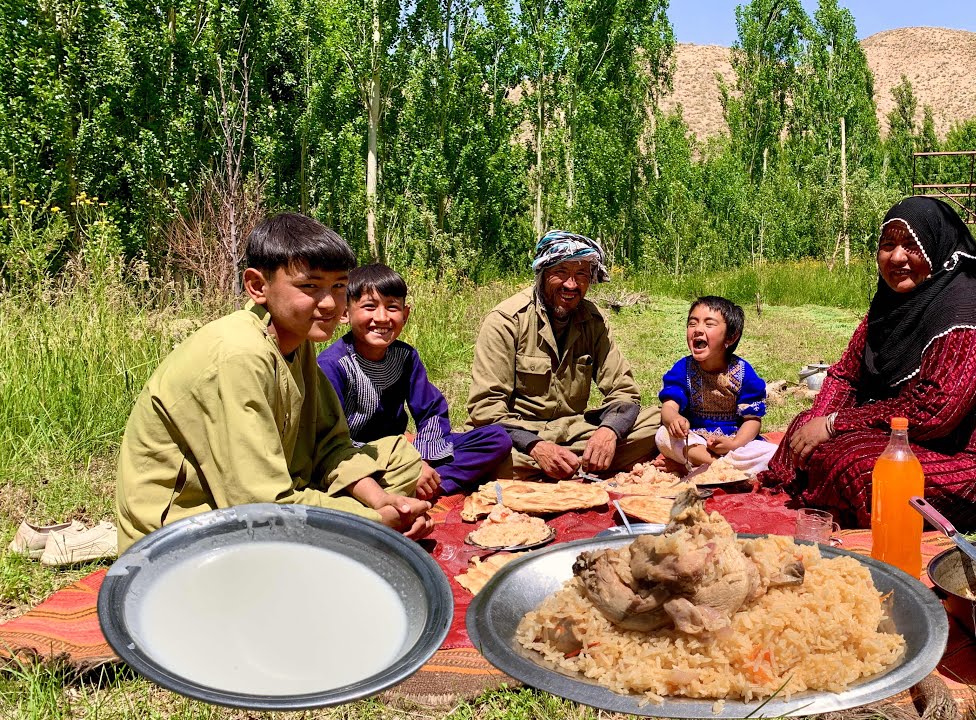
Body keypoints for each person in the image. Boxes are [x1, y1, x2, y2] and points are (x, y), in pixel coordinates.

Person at [115, 214, 436, 553]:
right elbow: (258, 503)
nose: (329, 303)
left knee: (400, 457)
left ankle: (350, 532)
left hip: (273, 488)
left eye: (339, 286)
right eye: (310, 286)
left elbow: (331, 444)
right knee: (289, 538)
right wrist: (373, 522)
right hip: (185, 531)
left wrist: (383, 500)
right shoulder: (238, 356)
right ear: (257, 286)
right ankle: (350, 539)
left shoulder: (297, 340)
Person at [759, 197, 976, 529]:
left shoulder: (971, 308)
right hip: (923, 443)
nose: (897, 257)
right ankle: (794, 493)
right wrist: (819, 419)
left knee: (854, 465)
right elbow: (846, 376)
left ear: (938, 246)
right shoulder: (892, 304)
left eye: (912, 245)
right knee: (803, 425)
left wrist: (835, 424)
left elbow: (935, 411)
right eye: (887, 245)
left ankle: (825, 499)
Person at [467, 230, 660, 480]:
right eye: (561, 273)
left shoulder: (594, 320)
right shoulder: (506, 320)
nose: (571, 285)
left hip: (574, 430)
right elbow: (486, 408)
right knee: (483, 453)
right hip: (520, 437)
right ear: (543, 274)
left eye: (581, 274)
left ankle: (567, 465)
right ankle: (579, 466)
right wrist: (537, 447)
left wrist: (608, 432)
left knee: (656, 422)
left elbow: (624, 391)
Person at [318, 264, 512, 494]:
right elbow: (332, 443)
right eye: (369, 307)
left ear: (405, 314)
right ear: (344, 313)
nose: (381, 317)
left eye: (392, 307)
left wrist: (425, 459)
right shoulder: (333, 365)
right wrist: (405, 463)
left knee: (496, 439)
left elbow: (431, 411)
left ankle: (424, 485)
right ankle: (411, 488)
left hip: (405, 450)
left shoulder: (405, 356)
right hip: (357, 458)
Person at [656, 296, 777, 474]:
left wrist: (734, 443)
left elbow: (752, 420)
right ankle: (725, 469)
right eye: (692, 323)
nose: (698, 329)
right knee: (663, 436)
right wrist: (674, 419)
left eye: (709, 324)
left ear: (731, 337)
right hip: (697, 441)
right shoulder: (683, 369)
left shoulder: (744, 372)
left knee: (771, 453)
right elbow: (668, 406)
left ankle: (704, 466)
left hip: (735, 444)